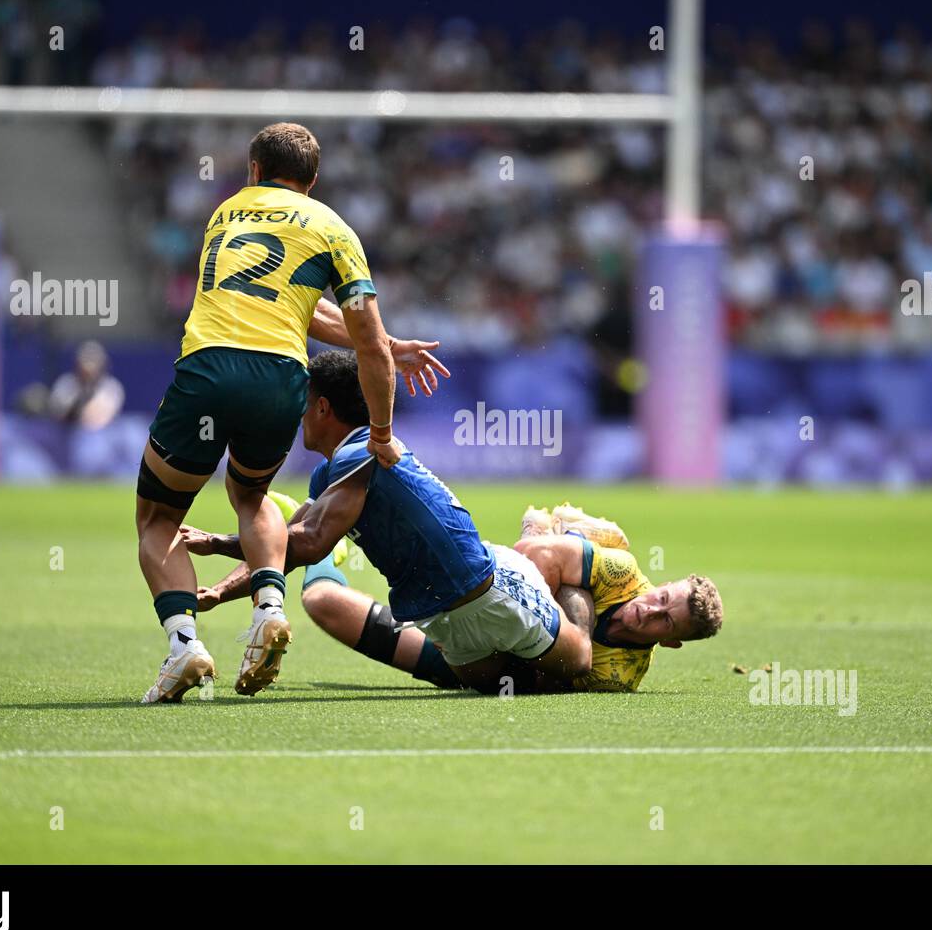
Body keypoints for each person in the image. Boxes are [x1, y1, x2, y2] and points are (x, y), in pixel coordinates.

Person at [136, 122, 447, 703]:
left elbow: (279, 302)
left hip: (207, 367)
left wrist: (373, 339)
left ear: (254, 170)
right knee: (251, 498)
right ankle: (269, 609)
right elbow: (346, 332)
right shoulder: (332, 226)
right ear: (313, 180)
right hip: (279, 377)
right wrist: (381, 430)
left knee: (158, 519)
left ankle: (183, 647)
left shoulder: (225, 213)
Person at [180, 350, 594, 695]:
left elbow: (309, 543)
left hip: (487, 590)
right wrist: (219, 591)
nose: (298, 414)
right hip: (442, 621)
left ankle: (573, 560)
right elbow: (279, 549)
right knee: (521, 686)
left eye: (303, 404)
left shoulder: (361, 452)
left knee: (580, 662)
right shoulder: (328, 475)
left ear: (323, 407)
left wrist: (217, 542)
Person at [193, 503, 724, 693]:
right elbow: (532, 554)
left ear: (670, 645)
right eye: (662, 597)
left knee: (322, 604)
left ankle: (305, 529)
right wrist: (572, 616)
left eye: (663, 621)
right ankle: (299, 523)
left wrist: (567, 602)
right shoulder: (622, 572)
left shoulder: (623, 676)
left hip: (476, 663)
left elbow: (540, 680)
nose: (649, 607)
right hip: (505, 595)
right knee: (541, 550)